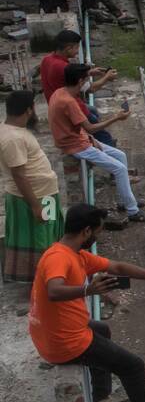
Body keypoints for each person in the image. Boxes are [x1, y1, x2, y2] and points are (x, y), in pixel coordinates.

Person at [29, 203, 145, 402]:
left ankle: (101, 399)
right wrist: (88, 290)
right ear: (86, 231)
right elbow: (54, 291)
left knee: (102, 329)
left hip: (57, 332)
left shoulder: (74, 253)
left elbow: (117, 267)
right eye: (98, 231)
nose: (99, 235)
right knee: (133, 366)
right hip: (65, 342)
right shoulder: (59, 259)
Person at [49, 64, 145, 222]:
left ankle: (124, 200)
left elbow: (79, 128)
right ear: (80, 81)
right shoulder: (69, 101)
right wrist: (116, 118)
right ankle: (133, 211)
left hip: (81, 138)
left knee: (120, 156)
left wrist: (92, 140)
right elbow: (90, 127)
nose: (88, 82)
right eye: (86, 79)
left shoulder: (59, 92)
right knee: (119, 168)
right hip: (75, 145)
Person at [2, 91, 63, 283]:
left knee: (50, 233)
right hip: (38, 198)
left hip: (45, 194)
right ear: (29, 110)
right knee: (42, 238)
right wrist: (36, 206)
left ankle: (52, 273)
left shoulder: (15, 132)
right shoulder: (12, 139)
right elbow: (19, 174)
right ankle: (48, 279)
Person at [40, 31, 120, 146]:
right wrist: (107, 77)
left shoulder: (47, 59)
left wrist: (88, 72)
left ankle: (95, 140)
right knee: (93, 122)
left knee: (92, 110)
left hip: (56, 103)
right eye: (76, 47)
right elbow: (90, 88)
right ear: (68, 48)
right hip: (69, 106)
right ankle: (108, 147)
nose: (78, 51)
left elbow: (65, 77)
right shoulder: (62, 67)